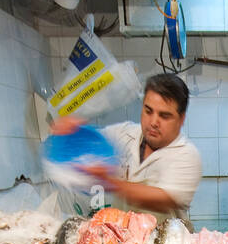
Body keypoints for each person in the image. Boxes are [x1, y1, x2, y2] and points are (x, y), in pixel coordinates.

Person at [53, 73, 202, 225]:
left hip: (167, 242)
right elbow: (90, 144)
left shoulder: (187, 155)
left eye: (164, 116)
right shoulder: (124, 134)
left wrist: (108, 182)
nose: (153, 122)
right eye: (148, 111)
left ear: (181, 119)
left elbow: (162, 200)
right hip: (122, 238)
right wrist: (72, 131)